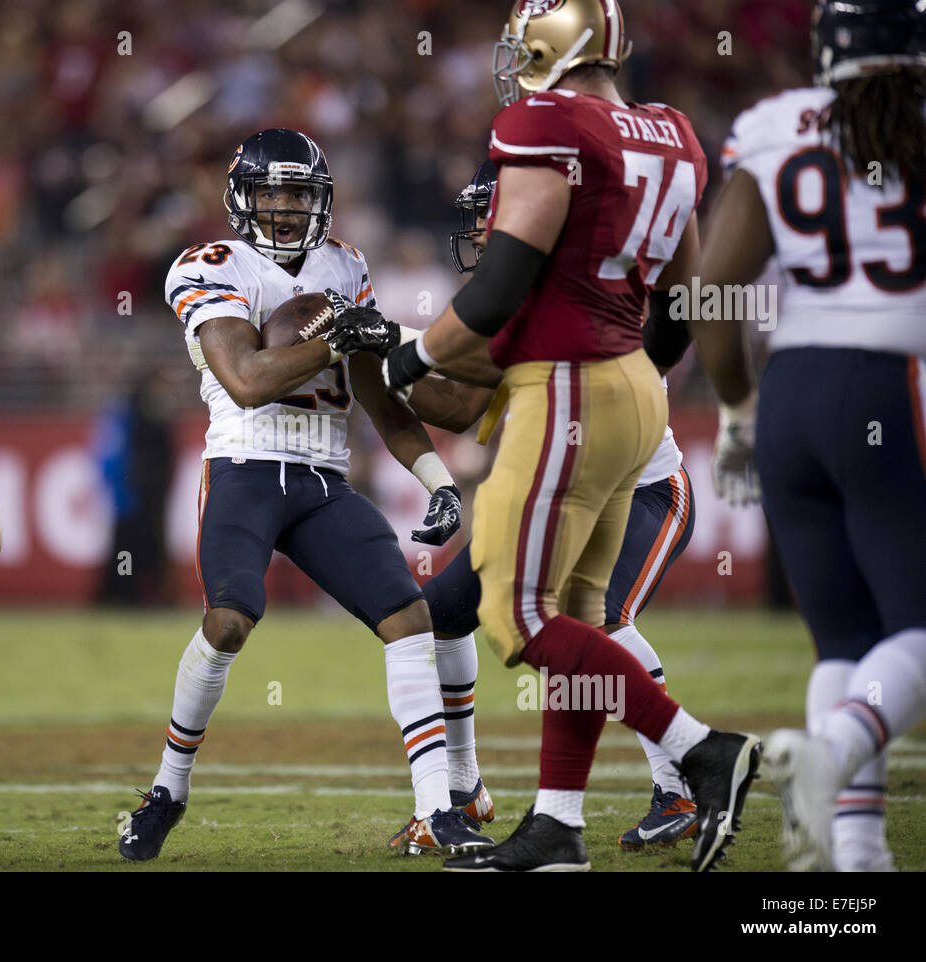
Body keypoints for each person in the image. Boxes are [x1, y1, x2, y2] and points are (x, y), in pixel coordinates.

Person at [363, 0, 760, 872]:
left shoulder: (546, 121)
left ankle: (701, 752)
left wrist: (406, 359)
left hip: (572, 389)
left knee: (517, 614)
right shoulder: (668, 132)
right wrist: (628, 375)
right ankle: (557, 826)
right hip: (630, 386)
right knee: (577, 614)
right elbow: (686, 307)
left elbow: (499, 289)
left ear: (554, 41)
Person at [119, 128, 493, 862]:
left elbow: (378, 395)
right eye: (271, 193)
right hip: (245, 468)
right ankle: (167, 788)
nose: (285, 208)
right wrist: (337, 336)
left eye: (298, 193)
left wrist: (437, 480)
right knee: (229, 622)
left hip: (324, 478)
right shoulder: (211, 265)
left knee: (410, 618)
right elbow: (248, 380)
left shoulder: (344, 265)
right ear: (243, 198)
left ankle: (437, 811)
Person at [400, 160, 701, 852]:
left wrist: (398, 355)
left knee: (596, 619)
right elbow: (461, 400)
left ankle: (681, 778)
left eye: (490, 214)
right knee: (440, 613)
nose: (479, 229)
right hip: (557, 498)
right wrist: (378, 367)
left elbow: (487, 374)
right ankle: (464, 786)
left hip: (640, 490)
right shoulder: (513, 295)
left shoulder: (576, 292)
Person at [693, 0, 926, 872]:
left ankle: (854, 855)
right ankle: (832, 750)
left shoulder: (774, 126)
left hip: (792, 391)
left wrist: (739, 409)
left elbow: (713, 290)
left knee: (846, 639)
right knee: (917, 627)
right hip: (893, 386)